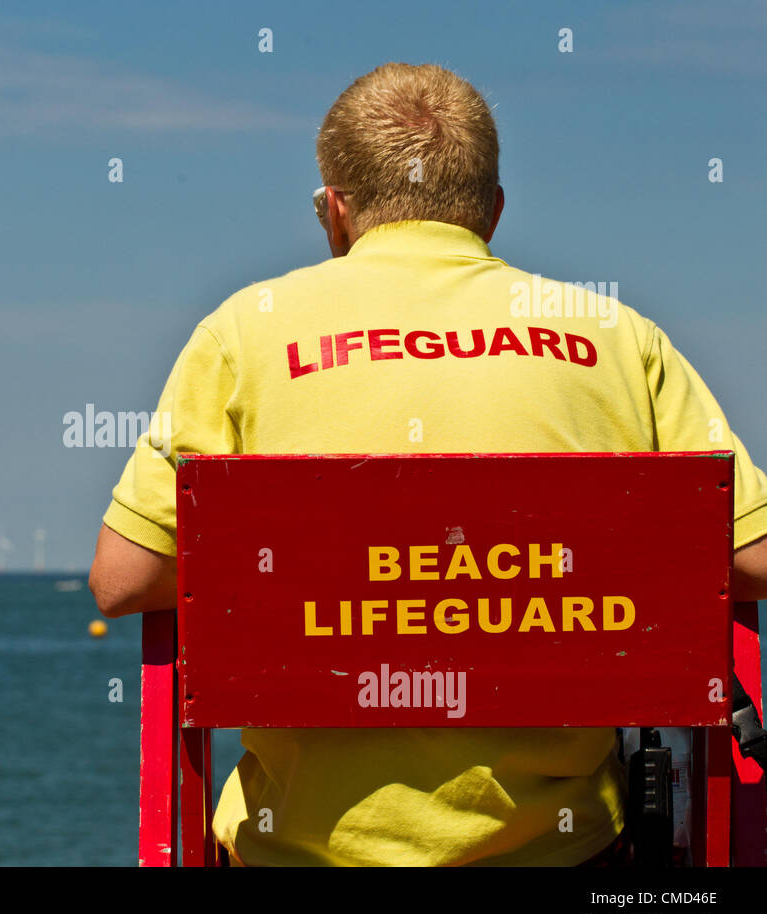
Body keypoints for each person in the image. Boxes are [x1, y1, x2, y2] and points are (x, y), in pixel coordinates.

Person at [88, 62, 767, 866]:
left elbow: (123, 580)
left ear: (336, 209)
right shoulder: (617, 337)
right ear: (494, 210)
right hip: (565, 855)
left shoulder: (243, 334)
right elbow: (751, 558)